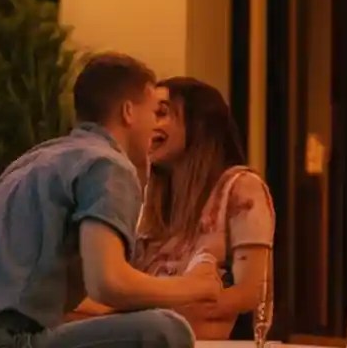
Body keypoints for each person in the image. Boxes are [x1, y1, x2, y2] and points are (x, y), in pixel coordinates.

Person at [0, 53, 220, 348]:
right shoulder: (107, 165)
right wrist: (192, 286)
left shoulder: (39, 159)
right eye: (155, 112)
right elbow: (108, 283)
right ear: (128, 112)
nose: (156, 125)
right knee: (168, 331)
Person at [69, 77, 276, 340]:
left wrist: (182, 306)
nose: (149, 124)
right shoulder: (146, 199)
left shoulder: (241, 187)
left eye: (162, 113)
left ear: (199, 123)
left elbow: (253, 292)